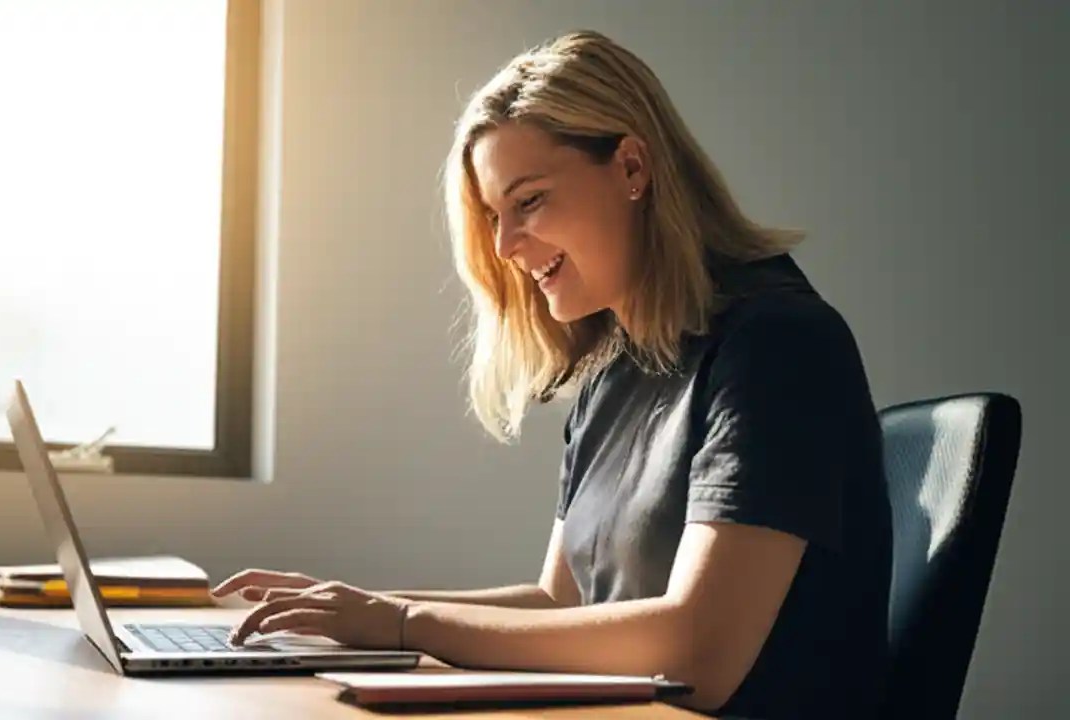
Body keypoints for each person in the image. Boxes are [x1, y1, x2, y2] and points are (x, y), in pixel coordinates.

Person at [211, 29, 891, 720]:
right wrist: (360, 611)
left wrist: (406, 625)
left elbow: (699, 655)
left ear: (631, 168)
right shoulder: (612, 370)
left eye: (528, 201)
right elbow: (560, 603)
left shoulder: (779, 346)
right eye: (494, 216)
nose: (505, 246)